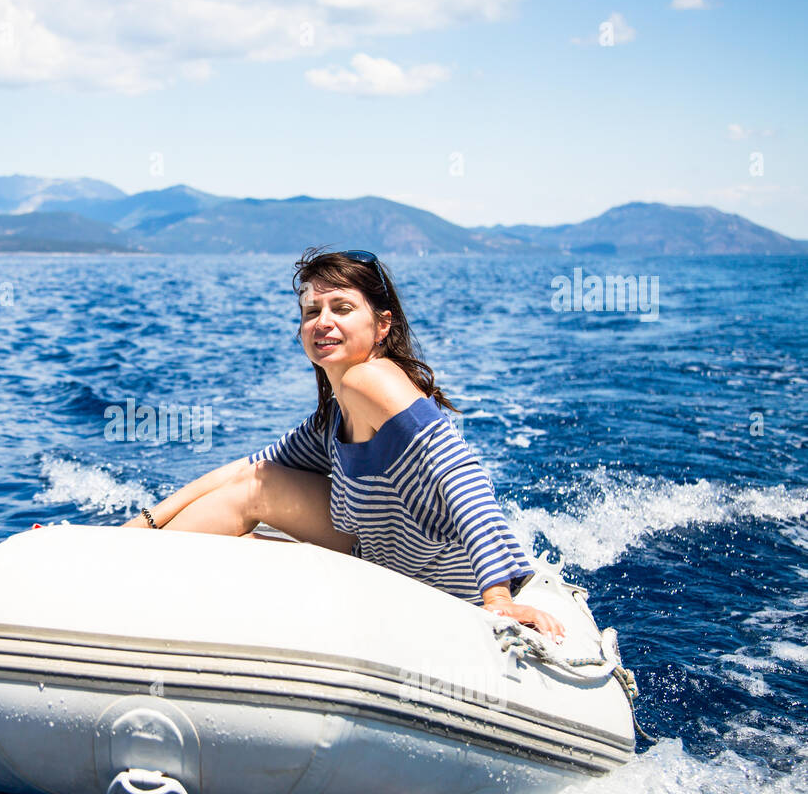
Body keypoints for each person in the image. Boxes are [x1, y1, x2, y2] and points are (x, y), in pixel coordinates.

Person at [123, 246, 564, 640]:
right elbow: (247, 471)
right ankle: (134, 562)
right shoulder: (337, 412)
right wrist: (139, 527)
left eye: (342, 307)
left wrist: (498, 596)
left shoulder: (371, 381)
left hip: (446, 595)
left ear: (381, 325)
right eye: (311, 311)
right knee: (255, 492)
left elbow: (460, 473)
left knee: (247, 505)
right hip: (381, 564)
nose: (323, 321)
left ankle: (126, 582)